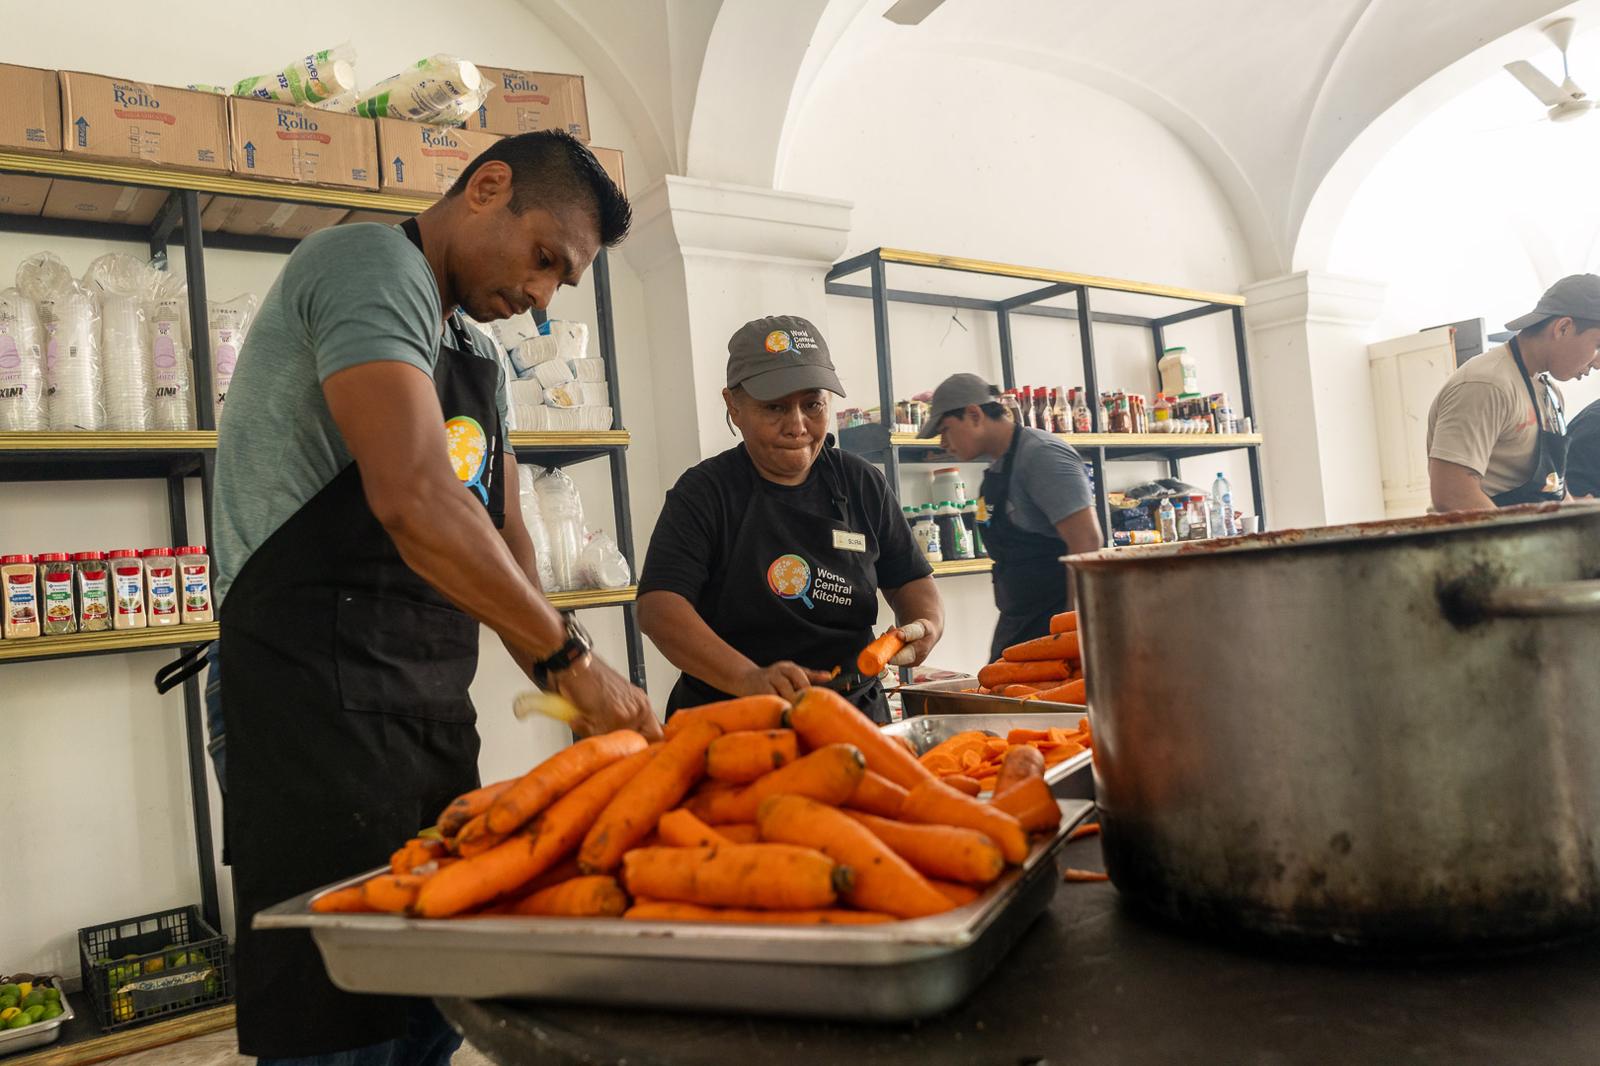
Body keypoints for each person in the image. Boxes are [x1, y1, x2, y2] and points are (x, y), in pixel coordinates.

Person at [212, 130, 659, 1065]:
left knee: (431, 1011)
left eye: (561, 286)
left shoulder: (475, 353)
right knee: (339, 1031)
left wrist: (581, 710)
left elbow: (504, 538)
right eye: (544, 261)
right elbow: (414, 495)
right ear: (488, 187)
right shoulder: (370, 261)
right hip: (306, 702)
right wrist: (573, 667)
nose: (540, 300)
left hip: (421, 704)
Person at [636, 315, 944, 724]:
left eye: (812, 404)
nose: (797, 426)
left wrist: (925, 626)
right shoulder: (704, 493)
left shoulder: (862, 483)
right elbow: (659, 607)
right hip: (731, 717)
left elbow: (911, 580)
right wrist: (747, 677)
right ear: (734, 406)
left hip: (852, 713)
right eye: (774, 407)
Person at [923, 372, 1102, 660]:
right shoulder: (999, 468)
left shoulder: (1041, 455)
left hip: (1055, 627)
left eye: (945, 430)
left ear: (974, 415)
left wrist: (1071, 632)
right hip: (1021, 623)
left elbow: (1087, 542)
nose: (943, 442)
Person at [1427, 274, 1600, 511]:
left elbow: (1555, 490)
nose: (1598, 362)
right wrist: (1518, 546)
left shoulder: (1550, 393)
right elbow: (1453, 494)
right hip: (1479, 545)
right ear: (1563, 328)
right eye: (1598, 345)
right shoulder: (1486, 384)